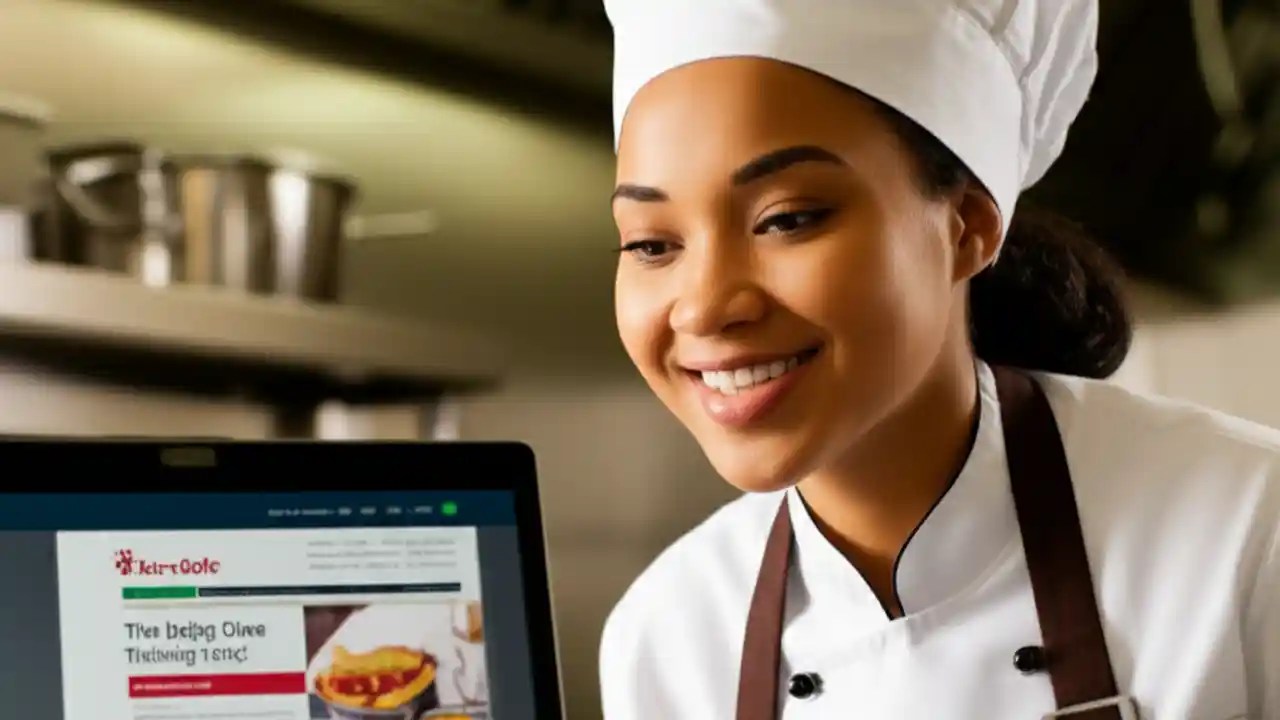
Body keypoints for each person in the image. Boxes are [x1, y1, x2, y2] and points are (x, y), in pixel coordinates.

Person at [597, 0, 1280, 718]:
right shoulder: (670, 637)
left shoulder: (1246, 535)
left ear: (969, 227)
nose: (704, 308)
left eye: (787, 220)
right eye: (651, 244)